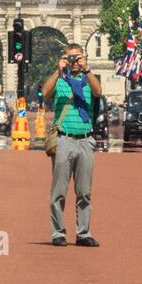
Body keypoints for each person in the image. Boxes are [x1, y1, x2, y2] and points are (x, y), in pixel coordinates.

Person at [43, 44, 101, 247]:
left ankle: (83, 233)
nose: (74, 62)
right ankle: (58, 232)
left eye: (78, 58)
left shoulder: (88, 80)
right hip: (64, 139)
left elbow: (98, 91)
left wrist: (87, 69)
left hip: (85, 139)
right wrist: (57, 71)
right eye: (71, 58)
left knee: (84, 191)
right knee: (59, 191)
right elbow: (45, 92)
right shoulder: (60, 81)